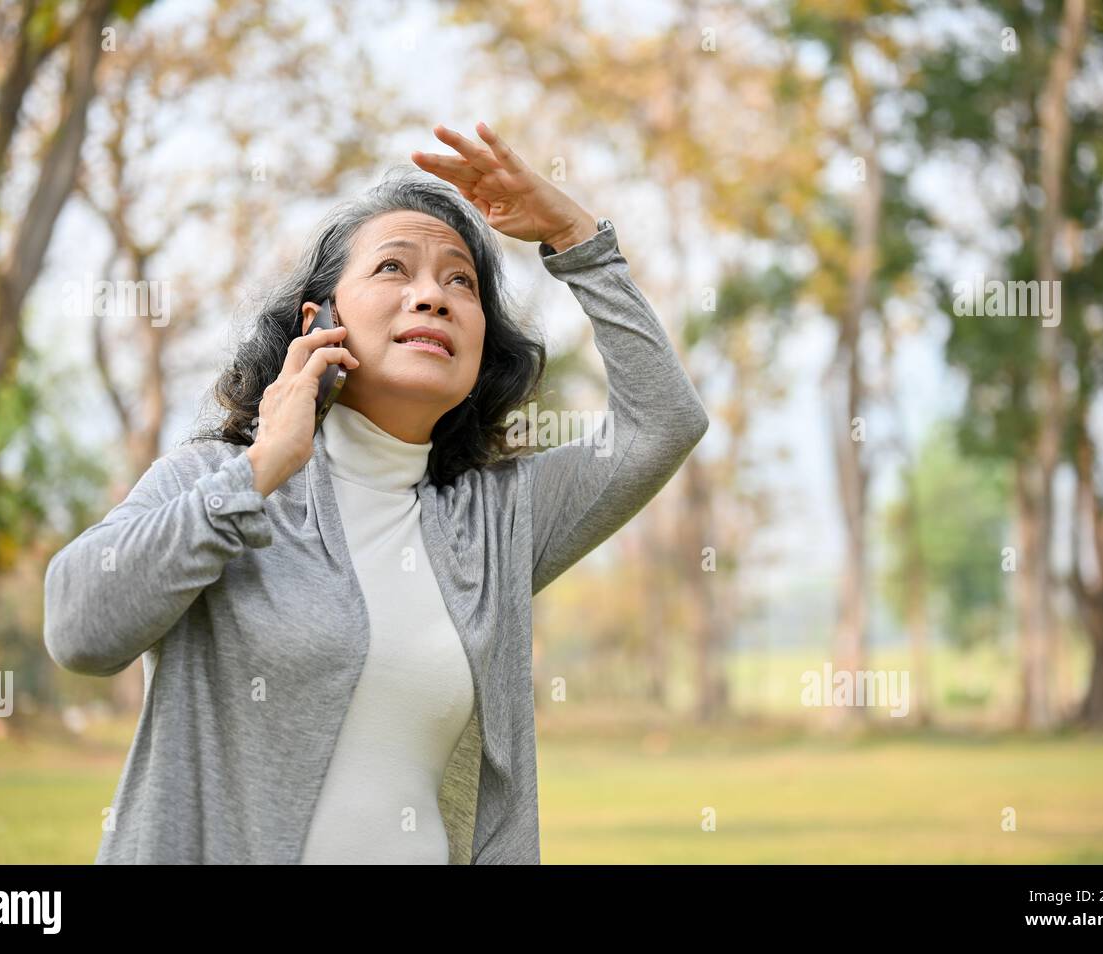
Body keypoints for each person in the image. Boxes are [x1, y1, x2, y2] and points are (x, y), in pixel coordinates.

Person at [43, 121, 709, 863]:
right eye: (394, 268)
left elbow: (664, 422)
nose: (433, 295)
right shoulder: (212, 483)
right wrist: (262, 468)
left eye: (461, 281)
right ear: (318, 323)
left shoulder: (499, 522)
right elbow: (79, 629)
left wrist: (572, 233)